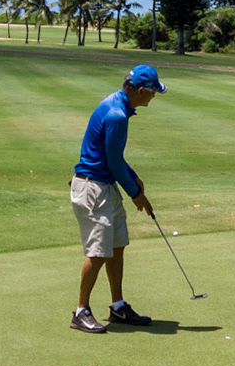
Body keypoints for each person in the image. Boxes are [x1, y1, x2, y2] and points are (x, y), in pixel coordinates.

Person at [68, 64, 165, 334]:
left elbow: (115, 158)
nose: (154, 97)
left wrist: (133, 177)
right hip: (93, 189)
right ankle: (80, 312)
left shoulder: (118, 104)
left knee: (117, 246)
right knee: (98, 253)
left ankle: (118, 306)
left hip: (105, 186)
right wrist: (136, 194)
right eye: (153, 92)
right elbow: (112, 161)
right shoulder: (117, 115)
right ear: (142, 91)